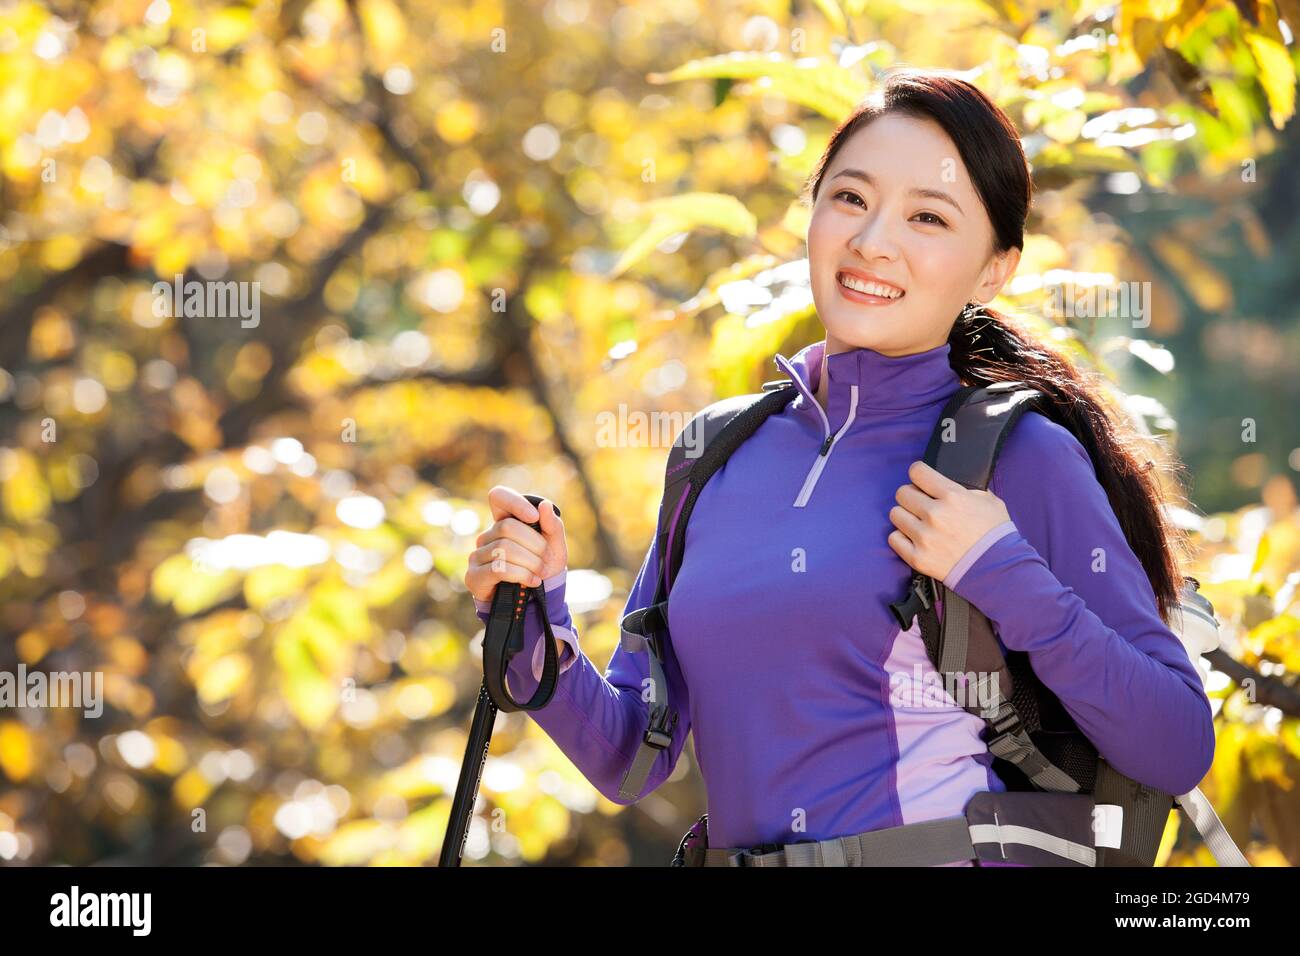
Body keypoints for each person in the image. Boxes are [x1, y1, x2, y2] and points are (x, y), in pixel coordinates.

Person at [461, 67, 1215, 864]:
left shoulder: (1015, 455)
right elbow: (628, 755)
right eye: (851, 198)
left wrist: (1003, 572)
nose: (872, 240)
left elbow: (1173, 743)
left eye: (928, 217)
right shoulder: (715, 454)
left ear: (994, 269)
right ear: (811, 213)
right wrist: (534, 614)